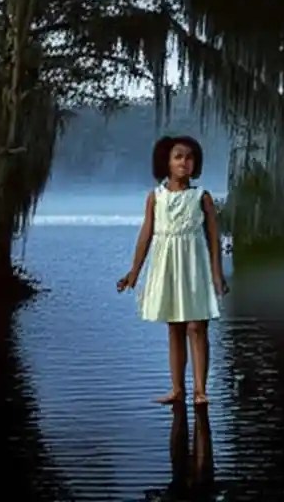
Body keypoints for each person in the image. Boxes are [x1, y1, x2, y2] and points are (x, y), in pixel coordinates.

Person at [117, 135, 229, 406]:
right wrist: (134, 272)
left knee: (196, 325)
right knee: (175, 326)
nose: (184, 162)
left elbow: (214, 238)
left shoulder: (201, 197)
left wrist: (217, 274)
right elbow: (146, 234)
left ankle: (200, 390)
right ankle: (177, 389)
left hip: (194, 265)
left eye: (189, 157)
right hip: (167, 263)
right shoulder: (155, 197)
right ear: (166, 162)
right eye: (178, 156)